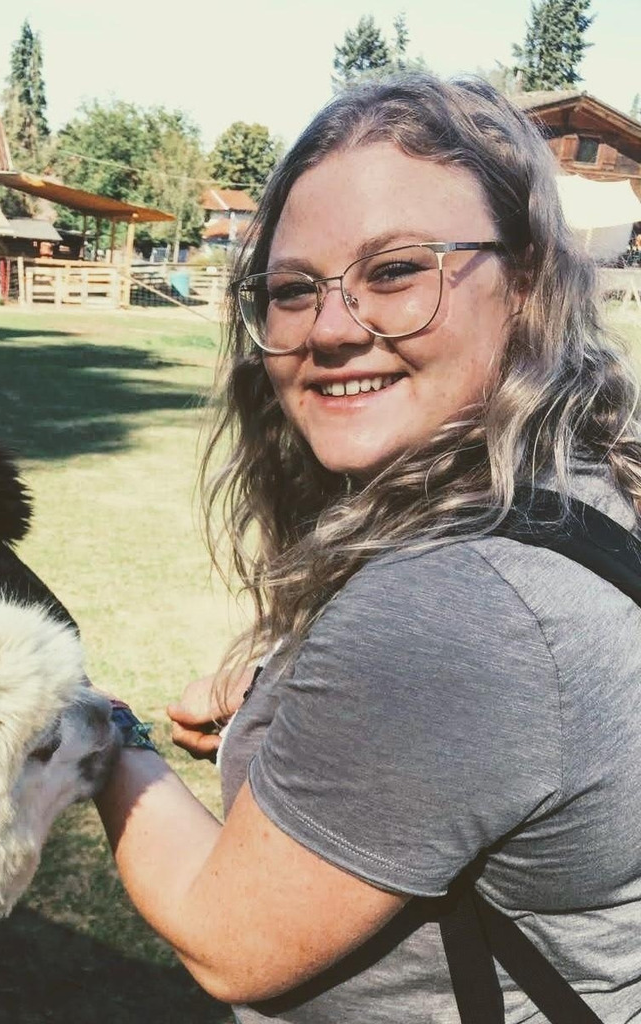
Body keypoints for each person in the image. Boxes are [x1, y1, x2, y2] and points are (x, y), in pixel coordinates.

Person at [93, 72, 641, 1022]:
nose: (333, 329)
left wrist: (104, 735)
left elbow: (227, 938)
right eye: (293, 290)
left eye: (395, 272)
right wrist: (281, 678)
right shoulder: (584, 489)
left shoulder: (455, 611)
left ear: (524, 285)